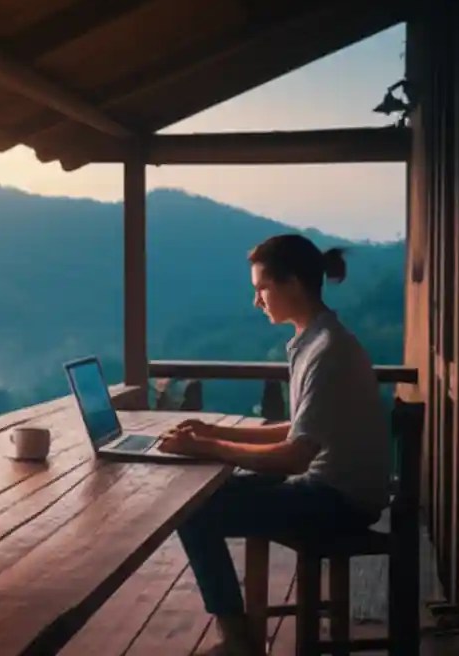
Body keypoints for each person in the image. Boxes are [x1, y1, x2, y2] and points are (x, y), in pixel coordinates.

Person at [156, 233, 390, 656]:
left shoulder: (327, 351)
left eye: (262, 288)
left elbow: (297, 455)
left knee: (192, 513)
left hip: (339, 501)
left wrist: (209, 448)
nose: (257, 301)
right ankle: (238, 634)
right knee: (205, 496)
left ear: (293, 284)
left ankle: (237, 640)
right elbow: (296, 429)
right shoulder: (316, 341)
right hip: (331, 490)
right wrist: (214, 433)